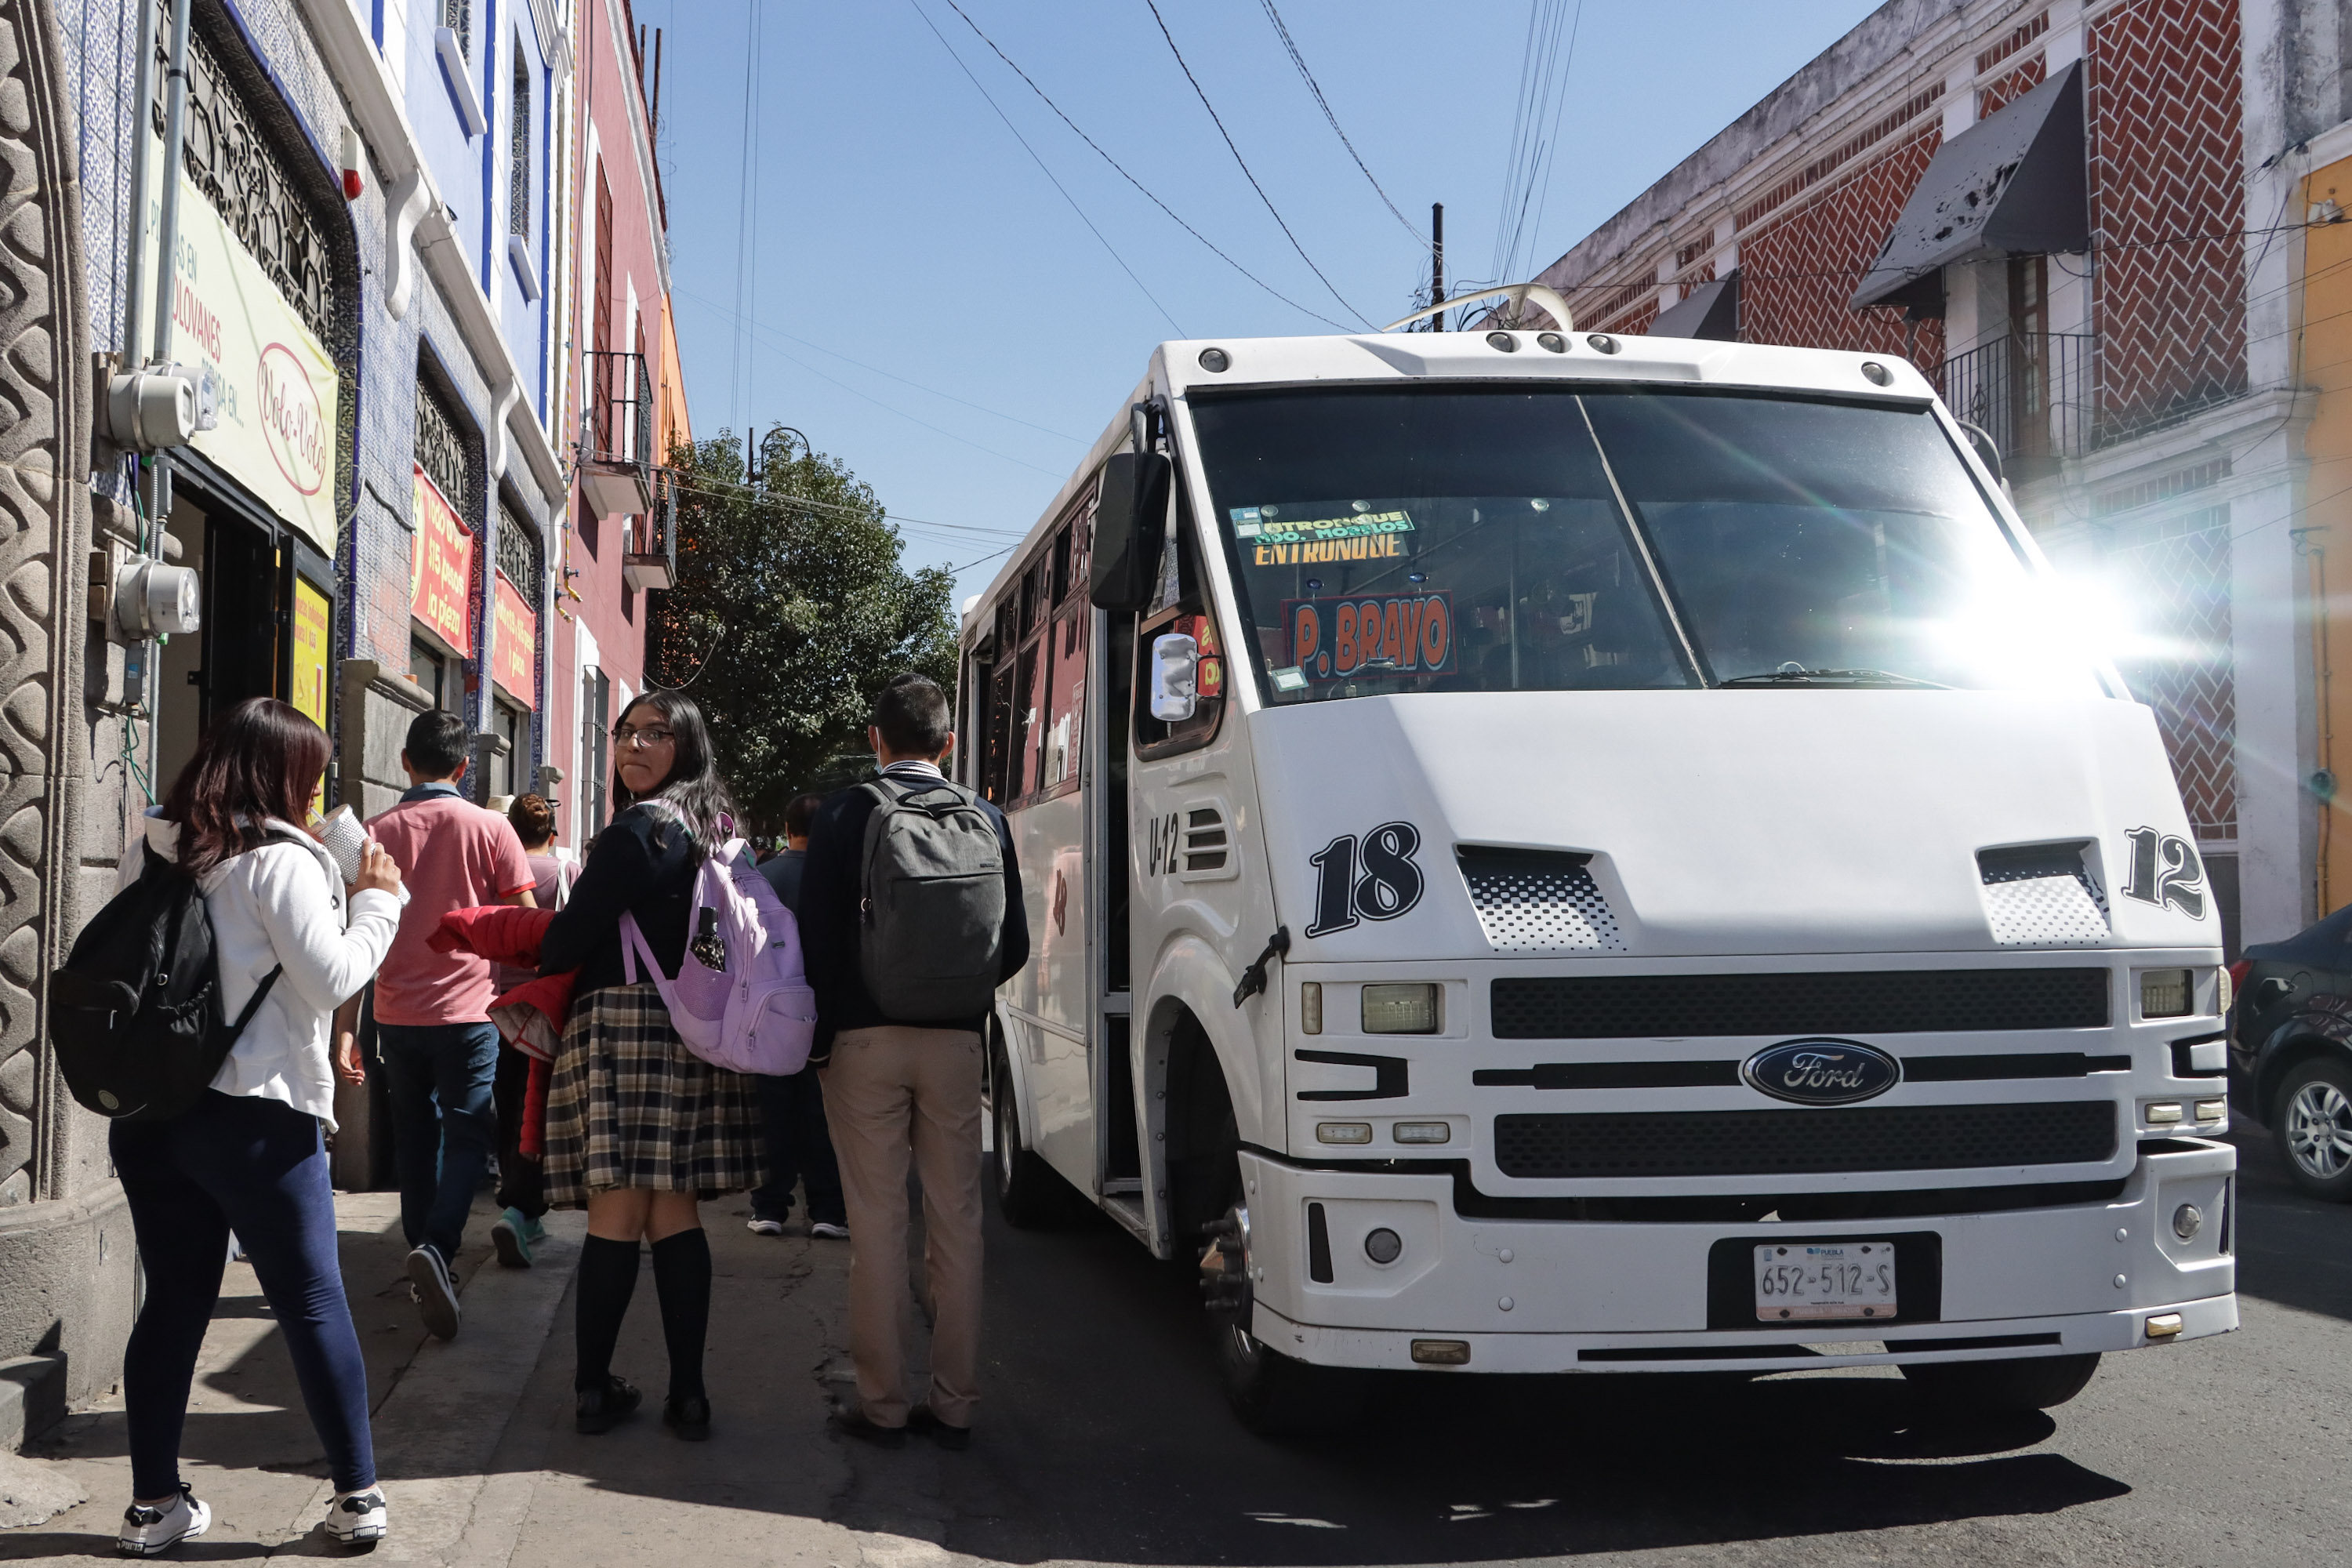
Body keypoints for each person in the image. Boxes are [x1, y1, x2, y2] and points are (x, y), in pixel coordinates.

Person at [110, 699, 405, 1554]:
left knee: (172, 1300)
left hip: (155, 1115)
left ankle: (152, 1504)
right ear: (287, 777)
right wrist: (378, 900)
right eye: (311, 777)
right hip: (258, 1116)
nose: (316, 797)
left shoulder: (161, 848)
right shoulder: (284, 861)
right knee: (312, 1298)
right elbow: (331, 975)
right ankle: (356, 1496)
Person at [800, 674, 1029, 1450]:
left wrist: (825, 1034)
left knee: (877, 1220)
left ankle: (884, 1403)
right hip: (958, 1039)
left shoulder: (846, 812)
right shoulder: (988, 817)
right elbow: (1015, 944)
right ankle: (958, 1402)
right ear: (949, 742)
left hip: (864, 1038)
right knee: (958, 1218)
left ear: (875, 737)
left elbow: (819, 942)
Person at [539, 691, 762, 1442]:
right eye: (626, 732)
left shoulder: (640, 830)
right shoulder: (717, 826)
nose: (633, 745)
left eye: (655, 734)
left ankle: (594, 1389)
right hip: (695, 1026)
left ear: (686, 744)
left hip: (624, 1023)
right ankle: (690, 1395)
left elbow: (565, 942)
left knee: (616, 1211)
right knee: (674, 1211)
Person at [351, 710, 536, 1341]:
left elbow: (354, 931)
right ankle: (437, 1247)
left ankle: (420, 1258)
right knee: (467, 1135)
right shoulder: (492, 828)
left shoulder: (372, 835)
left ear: (405, 762)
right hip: (468, 1010)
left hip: (394, 1010)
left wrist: (347, 1028)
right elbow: (525, 921)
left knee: (413, 1134)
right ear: (465, 768)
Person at [748, 793, 846, 1240]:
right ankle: (827, 1209)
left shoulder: (759, 877)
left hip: (769, 1013)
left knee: (772, 1111)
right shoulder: (840, 878)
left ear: (787, 830)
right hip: (824, 1011)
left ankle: (770, 1206)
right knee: (822, 1111)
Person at [487, 793, 575, 1268]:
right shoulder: (568, 872)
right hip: (546, 1009)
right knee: (536, 1109)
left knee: (508, 1103)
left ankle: (514, 1198)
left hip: (500, 1009)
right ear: (553, 835)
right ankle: (524, 1209)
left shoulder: (502, 876)